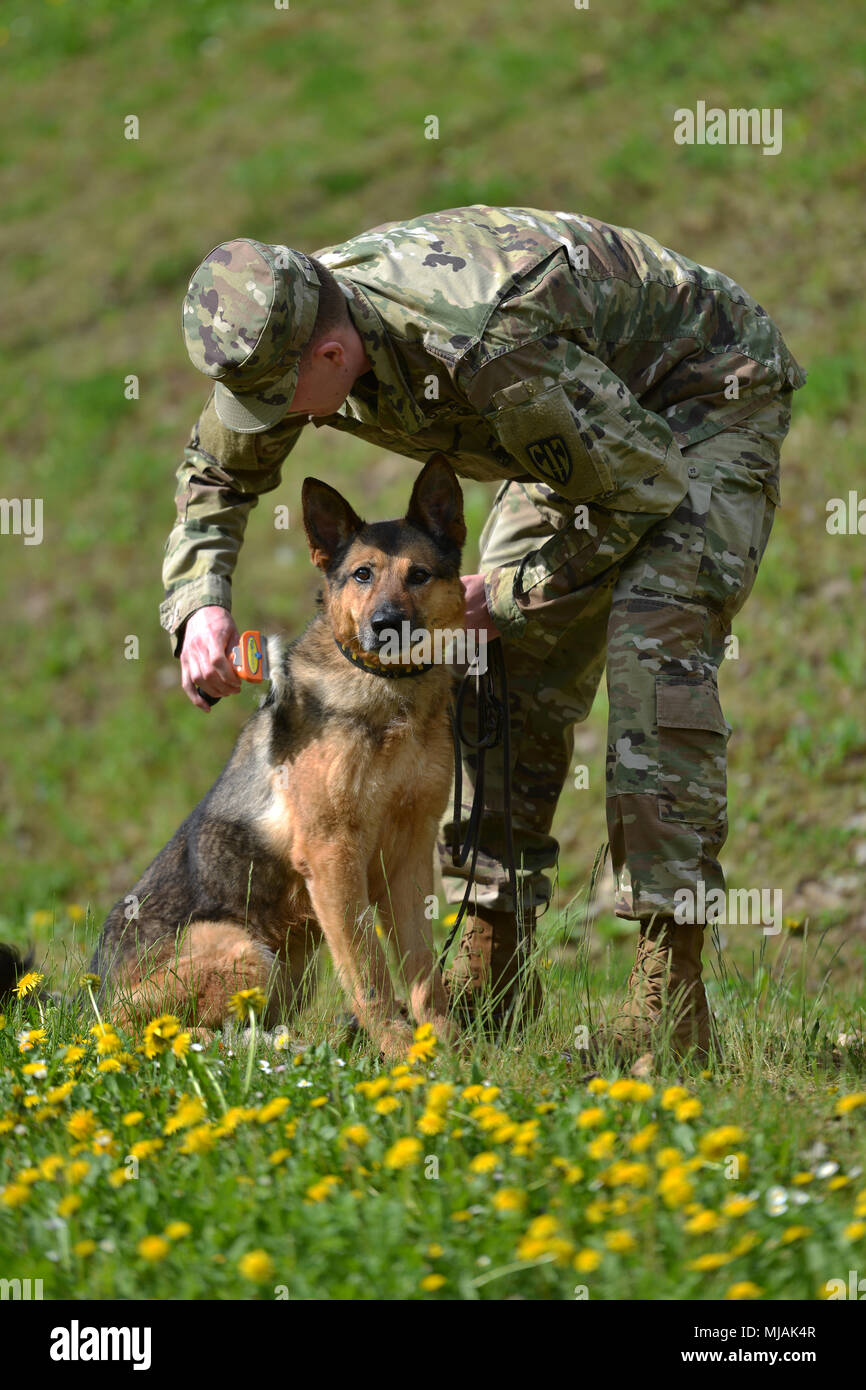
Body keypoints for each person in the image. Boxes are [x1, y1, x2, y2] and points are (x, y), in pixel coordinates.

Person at [162, 206, 805, 1059]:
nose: (275, 425)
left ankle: (671, 995)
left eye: (282, 406)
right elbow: (216, 470)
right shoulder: (271, 318)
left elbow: (643, 486)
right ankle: (491, 959)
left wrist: (497, 594)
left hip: (697, 399)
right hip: (569, 429)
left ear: (329, 356)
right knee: (488, 662)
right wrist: (200, 601)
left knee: (654, 656)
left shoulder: (484, 341)